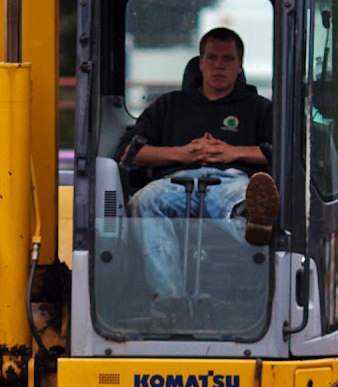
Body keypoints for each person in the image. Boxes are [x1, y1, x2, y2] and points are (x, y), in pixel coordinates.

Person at [115, 27, 279, 312]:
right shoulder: (168, 106)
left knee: (243, 200)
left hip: (231, 181)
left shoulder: (260, 109)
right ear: (200, 62)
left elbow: (284, 150)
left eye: (228, 59)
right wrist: (185, 153)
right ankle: (170, 300)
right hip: (174, 184)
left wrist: (232, 152)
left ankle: (252, 221)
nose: (219, 65)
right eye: (212, 57)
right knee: (144, 201)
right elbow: (128, 153)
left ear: (240, 66)